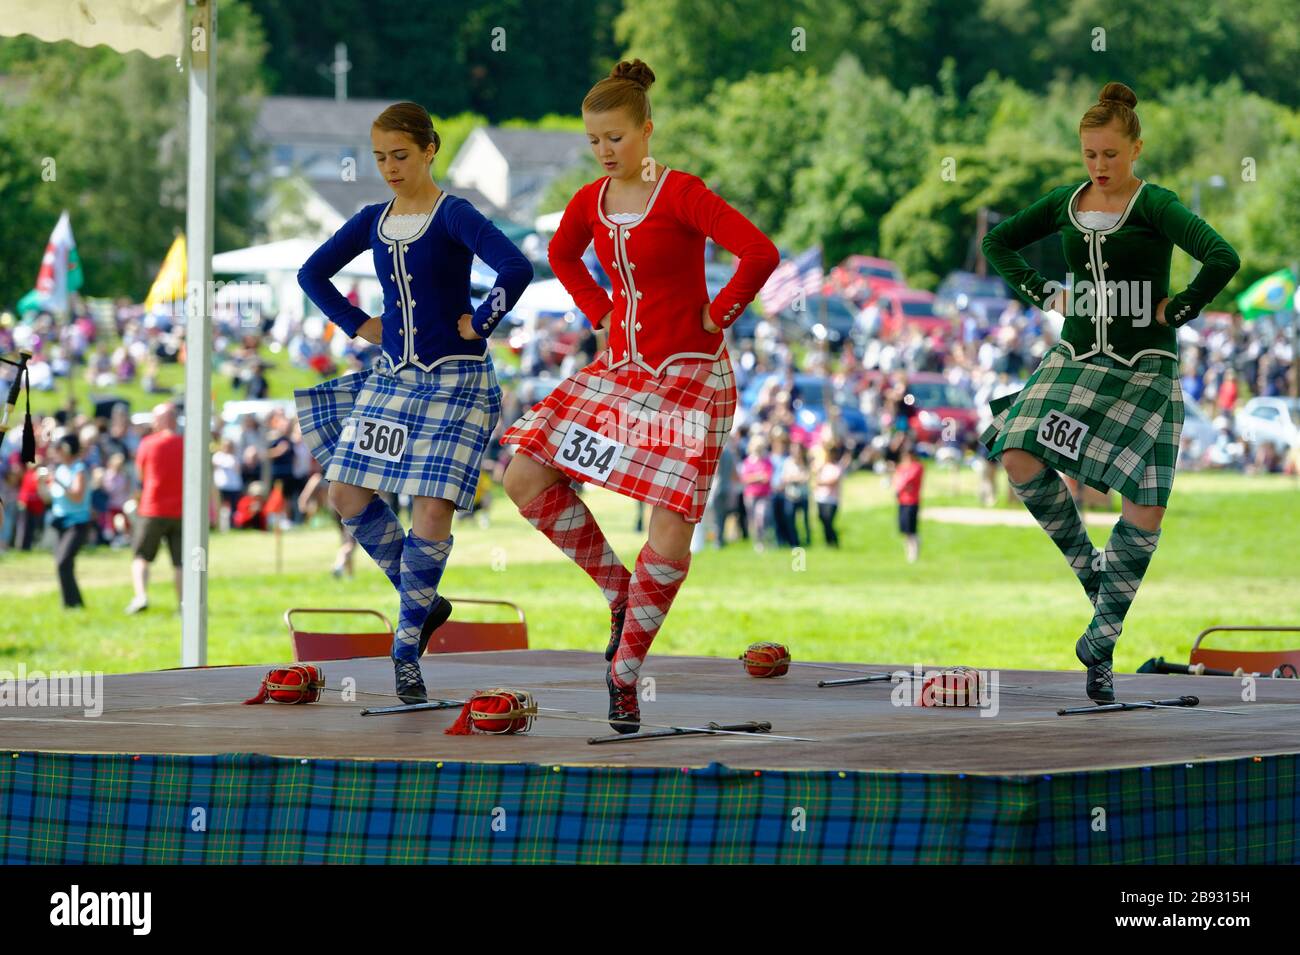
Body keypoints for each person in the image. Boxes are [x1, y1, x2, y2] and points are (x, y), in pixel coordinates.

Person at [500, 60, 779, 732]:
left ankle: (625, 673)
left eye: (616, 138)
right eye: (595, 140)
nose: (605, 151)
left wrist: (721, 312)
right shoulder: (587, 202)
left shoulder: (681, 192)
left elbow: (759, 252)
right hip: (619, 371)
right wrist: (597, 309)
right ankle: (617, 588)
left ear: (647, 131)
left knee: (672, 525)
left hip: (689, 375)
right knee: (524, 471)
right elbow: (562, 255)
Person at [980, 82, 1240, 703]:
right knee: (1016, 448)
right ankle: (1092, 573)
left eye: (1111, 155)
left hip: (1144, 364)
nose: (1099, 166)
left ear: (1136, 149)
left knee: (1145, 501)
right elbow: (998, 242)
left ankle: (1104, 634)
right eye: (1090, 154)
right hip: (1074, 357)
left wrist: (1177, 311)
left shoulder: (1156, 204)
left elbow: (1221, 256)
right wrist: (1043, 292)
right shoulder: (1066, 202)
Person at [295, 101, 532, 704]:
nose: (389, 167)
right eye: (379, 157)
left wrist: (481, 321)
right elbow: (311, 274)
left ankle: (404, 650)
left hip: (458, 381)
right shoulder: (373, 219)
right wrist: (357, 323)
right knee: (344, 492)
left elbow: (516, 266)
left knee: (431, 509)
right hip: (394, 378)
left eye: (400, 155)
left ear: (430, 151)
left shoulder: (455, 214)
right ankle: (426, 601)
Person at [126, 403, 184, 614]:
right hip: (181, 510)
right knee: (181, 563)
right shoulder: (186, 443)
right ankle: (182, 605)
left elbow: (140, 475)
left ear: (159, 420)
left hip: (152, 508)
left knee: (141, 557)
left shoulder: (148, 443)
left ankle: (141, 596)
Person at [39, 433, 92, 609]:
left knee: (63, 562)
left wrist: (58, 481)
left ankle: (72, 603)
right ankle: (73, 603)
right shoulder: (60, 469)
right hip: (60, 522)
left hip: (77, 523)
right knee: (64, 564)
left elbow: (77, 496)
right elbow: (48, 499)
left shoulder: (79, 469)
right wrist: (40, 483)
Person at [893, 442, 923, 562]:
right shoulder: (902, 467)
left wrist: (900, 485)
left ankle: (914, 553)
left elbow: (907, 481)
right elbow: (897, 479)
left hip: (912, 501)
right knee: (905, 530)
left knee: (911, 530)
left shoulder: (917, 467)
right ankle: (908, 553)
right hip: (902, 501)